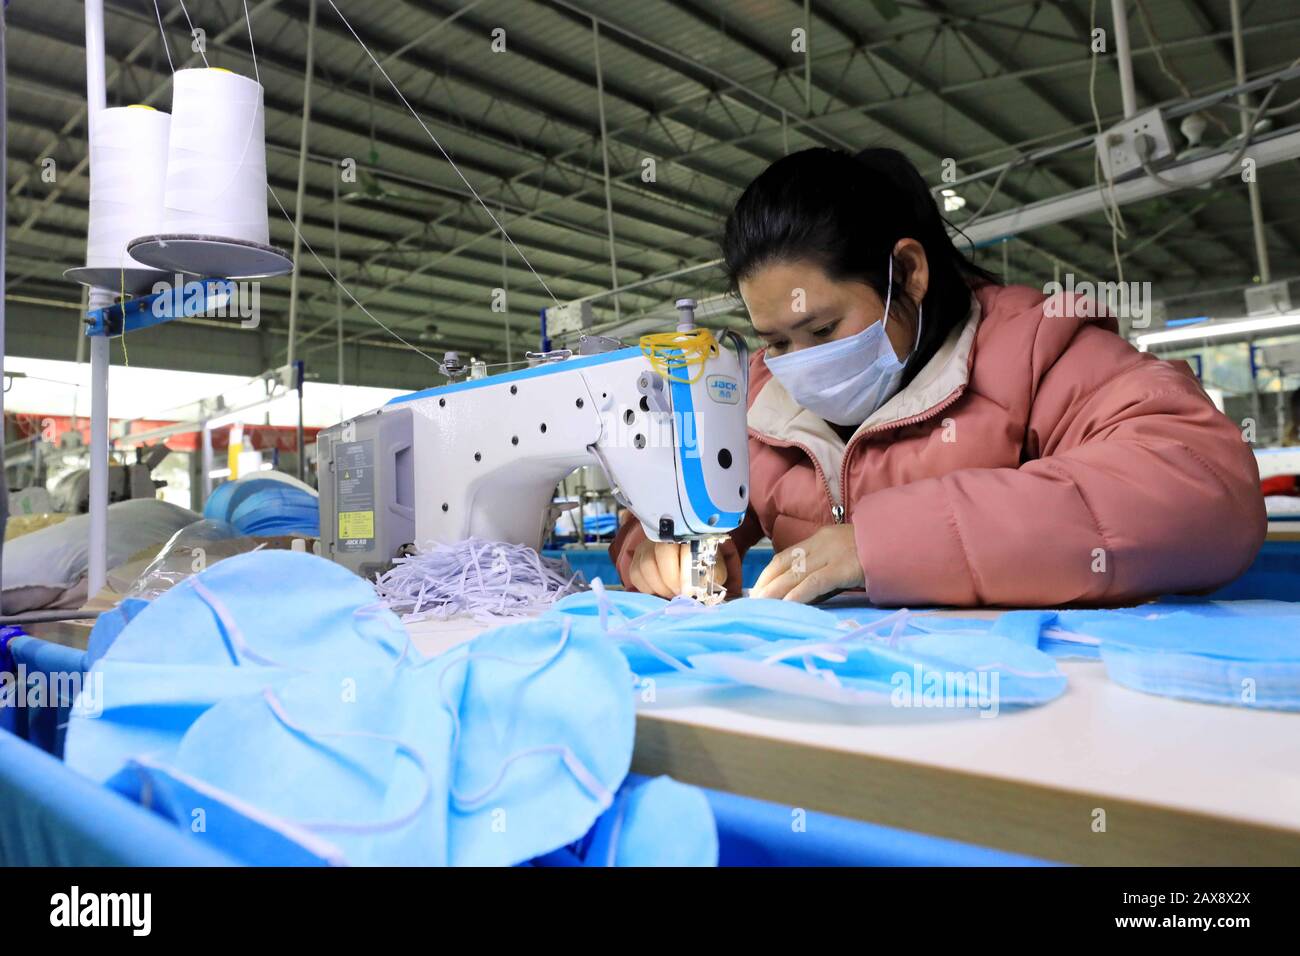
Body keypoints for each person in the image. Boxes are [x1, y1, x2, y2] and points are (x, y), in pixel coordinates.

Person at [610, 147, 1265, 607]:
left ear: (909, 273)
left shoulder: (1036, 350)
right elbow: (668, 504)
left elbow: (1203, 489)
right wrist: (660, 551)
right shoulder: (755, 398)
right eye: (773, 339)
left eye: (821, 330)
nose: (794, 362)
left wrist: (883, 544)